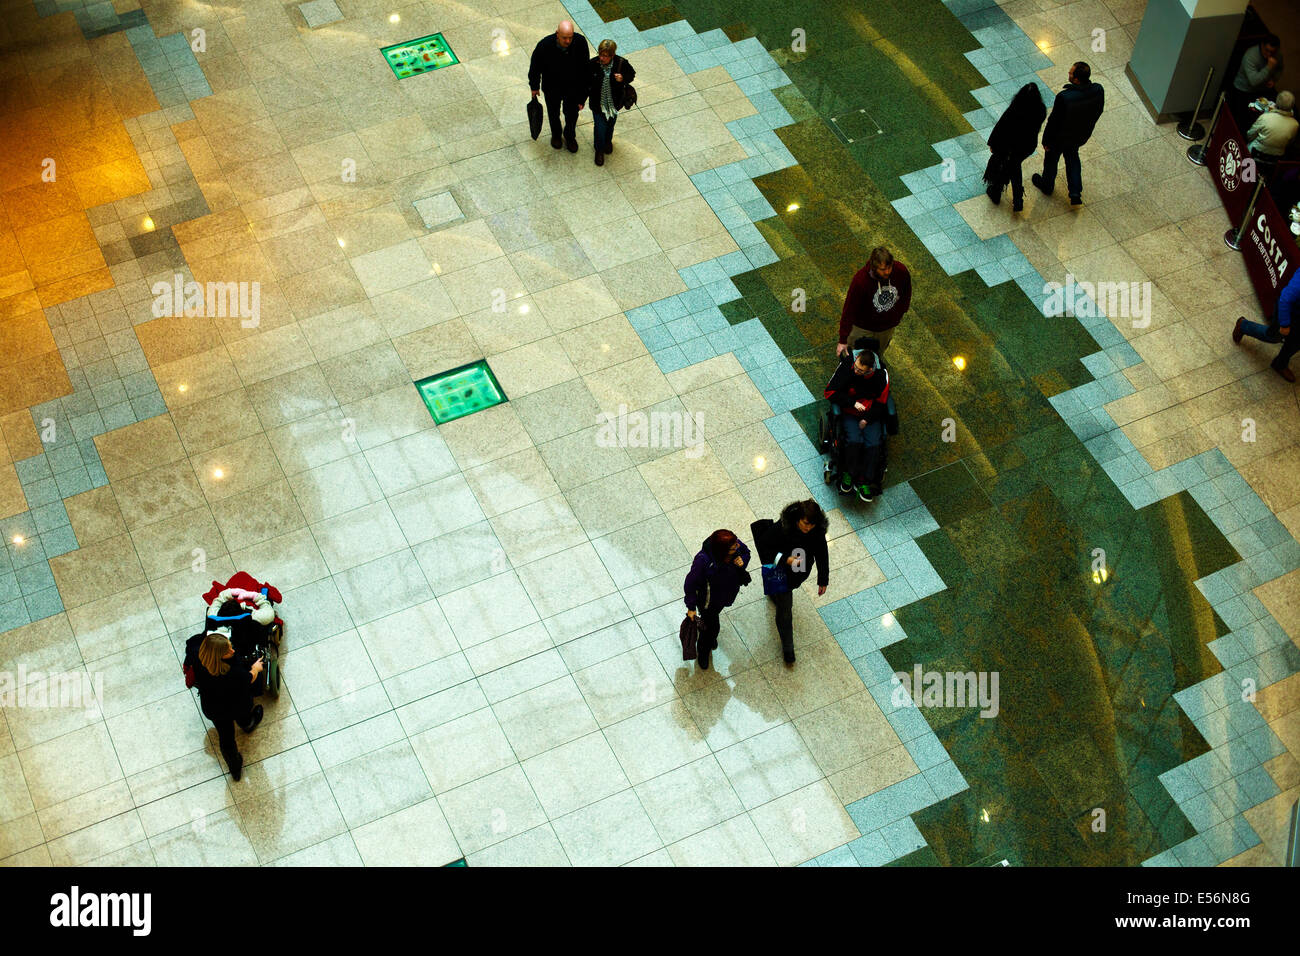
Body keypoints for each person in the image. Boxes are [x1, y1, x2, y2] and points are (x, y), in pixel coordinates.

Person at [750, 501, 829, 665]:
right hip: (783, 574)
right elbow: (765, 546)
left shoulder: (817, 532)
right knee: (785, 612)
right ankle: (788, 647)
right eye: (805, 524)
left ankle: (774, 595)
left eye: (812, 525)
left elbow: (822, 554)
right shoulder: (783, 527)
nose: (808, 528)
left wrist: (823, 579)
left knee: (781, 597)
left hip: (799, 573)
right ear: (798, 518)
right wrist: (786, 559)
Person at [188, 630, 264, 781]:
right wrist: (256, 668)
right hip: (236, 705)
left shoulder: (199, 658)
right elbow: (249, 678)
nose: (232, 651)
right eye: (227, 651)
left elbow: (191, 643)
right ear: (218, 656)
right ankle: (247, 724)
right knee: (243, 714)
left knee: (226, 738)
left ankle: (235, 769)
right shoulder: (232, 672)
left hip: (213, 708)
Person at [824, 341, 891, 502]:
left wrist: (867, 419)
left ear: (870, 369)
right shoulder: (847, 366)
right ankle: (848, 473)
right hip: (850, 411)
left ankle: (865, 480)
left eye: (860, 370)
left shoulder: (881, 375)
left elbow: (881, 403)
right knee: (853, 440)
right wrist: (852, 403)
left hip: (870, 415)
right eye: (856, 366)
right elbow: (830, 392)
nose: (855, 370)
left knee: (873, 444)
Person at [1031, 61, 1104, 206]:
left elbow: (1054, 122)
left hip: (1059, 139)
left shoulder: (1065, 97)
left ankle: (1047, 185)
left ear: (1076, 79)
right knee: (1072, 158)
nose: (1068, 74)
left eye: (1070, 73)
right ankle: (1075, 192)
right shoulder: (1098, 90)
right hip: (1079, 136)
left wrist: (1046, 141)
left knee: (1051, 161)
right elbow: (1098, 111)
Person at [682, 529, 751, 671]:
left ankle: (709, 639)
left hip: (724, 595)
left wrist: (742, 561)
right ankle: (703, 651)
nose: (737, 547)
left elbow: (746, 552)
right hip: (708, 602)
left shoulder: (735, 545)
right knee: (711, 628)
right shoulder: (703, 560)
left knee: (712, 625)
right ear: (722, 549)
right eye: (733, 548)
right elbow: (690, 583)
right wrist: (691, 607)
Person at [836, 246, 911, 356]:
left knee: (876, 358)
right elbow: (849, 310)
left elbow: (906, 292)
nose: (887, 272)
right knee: (853, 358)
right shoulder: (860, 281)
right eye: (883, 269)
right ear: (874, 267)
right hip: (862, 328)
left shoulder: (901, 271)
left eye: (889, 267)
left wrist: (898, 315)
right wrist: (843, 339)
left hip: (887, 327)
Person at [984, 83, 1047, 212]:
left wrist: (993, 143)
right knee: (1014, 166)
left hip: (1008, 146)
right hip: (1026, 146)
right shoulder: (1040, 110)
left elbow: (1001, 127)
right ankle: (1017, 199)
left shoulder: (1016, 109)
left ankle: (997, 191)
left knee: (1007, 166)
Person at [528, 21, 590, 152]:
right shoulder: (544, 46)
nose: (568, 41)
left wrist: (582, 96)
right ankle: (556, 134)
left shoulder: (580, 42)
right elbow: (535, 67)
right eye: (564, 38)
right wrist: (534, 86)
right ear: (557, 34)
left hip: (572, 89)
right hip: (552, 88)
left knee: (572, 114)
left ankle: (569, 136)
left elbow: (585, 70)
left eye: (570, 37)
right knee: (553, 113)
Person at [1233, 268, 1300, 382]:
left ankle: (1280, 364)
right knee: (1273, 336)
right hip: (1287, 314)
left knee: (1296, 342)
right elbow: (1285, 300)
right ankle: (1243, 325)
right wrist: (1284, 324)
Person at [584, 39, 635, 166]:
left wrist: (623, 78)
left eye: (605, 56)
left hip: (614, 104)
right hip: (598, 105)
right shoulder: (592, 64)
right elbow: (586, 84)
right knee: (600, 128)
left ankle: (608, 141)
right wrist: (581, 100)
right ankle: (599, 150)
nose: (601, 58)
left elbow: (631, 74)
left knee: (610, 126)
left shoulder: (621, 63)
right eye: (600, 54)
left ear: (612, 55)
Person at [1231, 35, 1283, 132]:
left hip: (1264, 88)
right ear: (1262, 45)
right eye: (1267, 50)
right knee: (1242, 119)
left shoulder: (1277, 55)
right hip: (1244, 89)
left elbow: (1280, 68)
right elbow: (1253, 81)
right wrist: (1269, 67)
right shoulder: (1250, 56)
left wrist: (1274, 79)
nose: (1269, 54)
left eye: (1272, 52)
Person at [1245, 90, 1298, 160]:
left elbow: (1249, 135)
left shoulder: (1265, 117)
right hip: (1276, 159)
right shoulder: (1295, 124)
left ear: (1277, 103)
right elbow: (1289, 144)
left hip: (1255, 154)